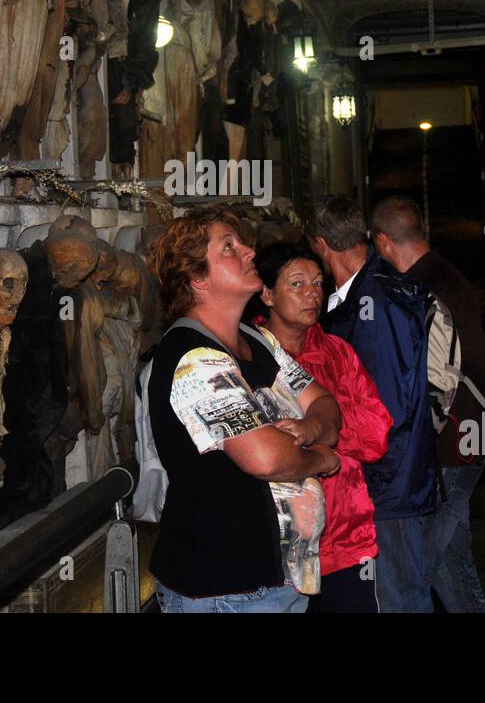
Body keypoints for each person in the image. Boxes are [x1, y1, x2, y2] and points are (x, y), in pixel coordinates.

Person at [147, 209, 342, 612]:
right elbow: (265, 457)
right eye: (229, 248)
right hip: (225, 584)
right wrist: (320, 457)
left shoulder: (258, 338)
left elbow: (326, 406)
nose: (250, 251)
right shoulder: (194, 359)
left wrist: (306, 429)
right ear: (198, 278)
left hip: (281, 577)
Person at [371, 194, 485, 614]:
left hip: (458, 440)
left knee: (420, 565)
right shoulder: (445, 274)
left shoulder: (423, 289)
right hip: (468, 434)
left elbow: (472, 365)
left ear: (382, 241)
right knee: (449, 559)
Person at [308, 196, 439, 613]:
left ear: (321, 245)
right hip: (385, 480)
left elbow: (388, 411)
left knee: (398, 599)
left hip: (388, 483)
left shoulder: (378, 302)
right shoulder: (361, 297)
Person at [249, 243, 392, 613]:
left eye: (317, 283)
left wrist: (318, 424)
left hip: (344, 540)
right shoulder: (247, 357)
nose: (312, 293)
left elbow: (376, 435)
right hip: (275, 543)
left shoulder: (338, 353)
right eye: (297, 284)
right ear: (266, 294)